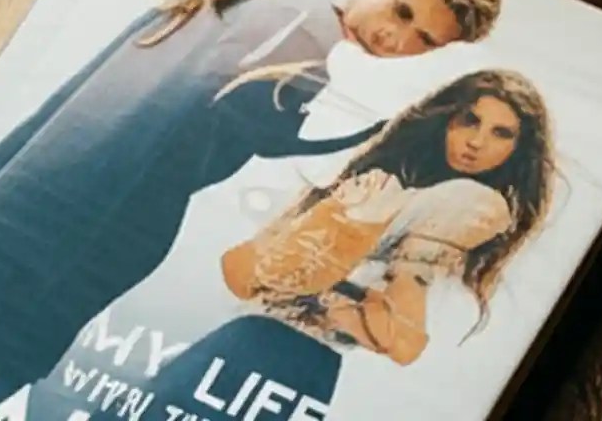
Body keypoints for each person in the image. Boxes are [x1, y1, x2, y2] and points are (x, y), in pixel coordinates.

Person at [0, 0, 502, 420]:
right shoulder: (295, 36)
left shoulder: (259, 4)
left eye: (424, 41)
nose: (398, 40)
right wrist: (386, 133)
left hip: (9, 230)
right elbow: (148, 133)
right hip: (36, 255)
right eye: (403, 12)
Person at [121, 69, 554, 419]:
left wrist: (329, 275)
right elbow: (240, 274)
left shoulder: (472, 205)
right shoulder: (379, 179)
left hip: (293, 356)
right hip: (254, 342)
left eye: (501, 133)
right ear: (447, 118)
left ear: (520, 149)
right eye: (470, 120)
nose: (476, 142)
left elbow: (400, 336)